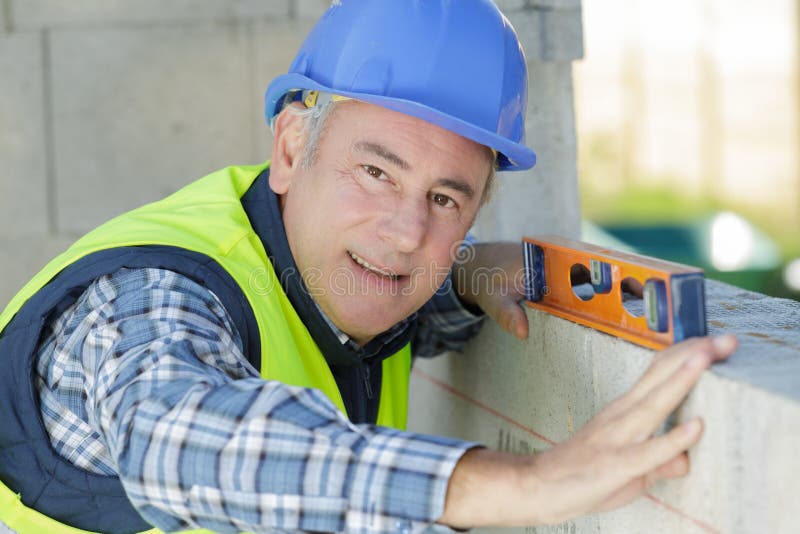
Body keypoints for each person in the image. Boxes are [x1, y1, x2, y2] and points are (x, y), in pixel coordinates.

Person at [0, 1, 737, 533]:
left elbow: (374, 309)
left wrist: (470, 278)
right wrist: (525, 484)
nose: (407, 230)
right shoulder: (146, 299)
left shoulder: (337, 276)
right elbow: (176, 438)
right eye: (376, 173)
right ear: (292, 148)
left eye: (446, 199)